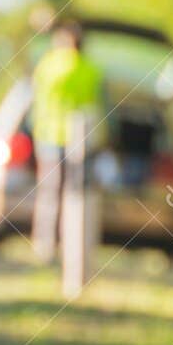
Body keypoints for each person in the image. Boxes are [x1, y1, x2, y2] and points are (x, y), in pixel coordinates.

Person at [30, 20, 104, 263]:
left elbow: (37, 96)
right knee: (75, 194)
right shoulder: (90, 68)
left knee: (49, 193)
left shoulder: (48, 65)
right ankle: (72, 245)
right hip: (80, 139)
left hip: (49, 136)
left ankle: (45, 246)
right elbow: (95, 103)